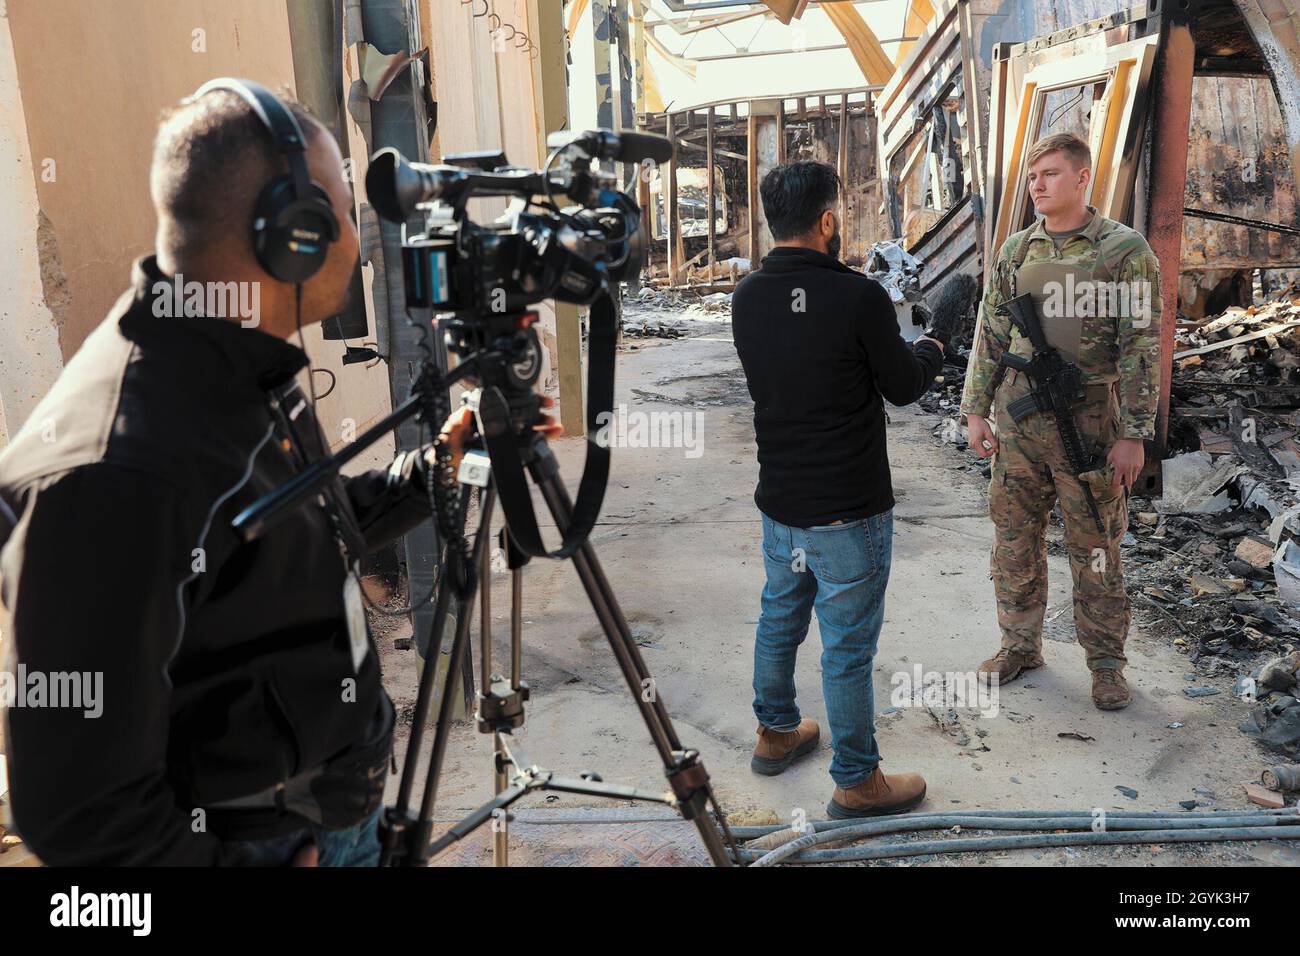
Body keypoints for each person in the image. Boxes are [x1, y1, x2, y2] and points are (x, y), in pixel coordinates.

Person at [0, 80, 552, 865]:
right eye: (343, 220)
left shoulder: (238, 356)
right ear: (291, 236)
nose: (361, 245)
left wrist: (439, 463)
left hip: (333, 817)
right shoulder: (112, 474)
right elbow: (79, 818)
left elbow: (295, 535)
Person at [731, 160, 952, 819]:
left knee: (779, 613)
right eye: (840, 215)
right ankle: (857, 780)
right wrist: (934, 346)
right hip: (848, 510)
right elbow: (905, 388)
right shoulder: (857, 298)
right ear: (827, 221)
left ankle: (776, 733)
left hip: (782, 503)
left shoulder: (746, 297)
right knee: (848, 646)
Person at [960, 131, 1162, 710]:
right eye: (1031, 177)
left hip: (1092, 423)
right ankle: (1019, 646)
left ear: (1081, 178)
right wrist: (975, 410)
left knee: (1096, 548)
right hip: (1020, 425)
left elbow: (1143, 344)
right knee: (1014, 544)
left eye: (1049, 174)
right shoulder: (1017, 250)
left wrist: (1134, 435)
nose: (1038, 185)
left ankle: (1105, 665)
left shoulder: (1124, 251)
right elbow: (991, 333)